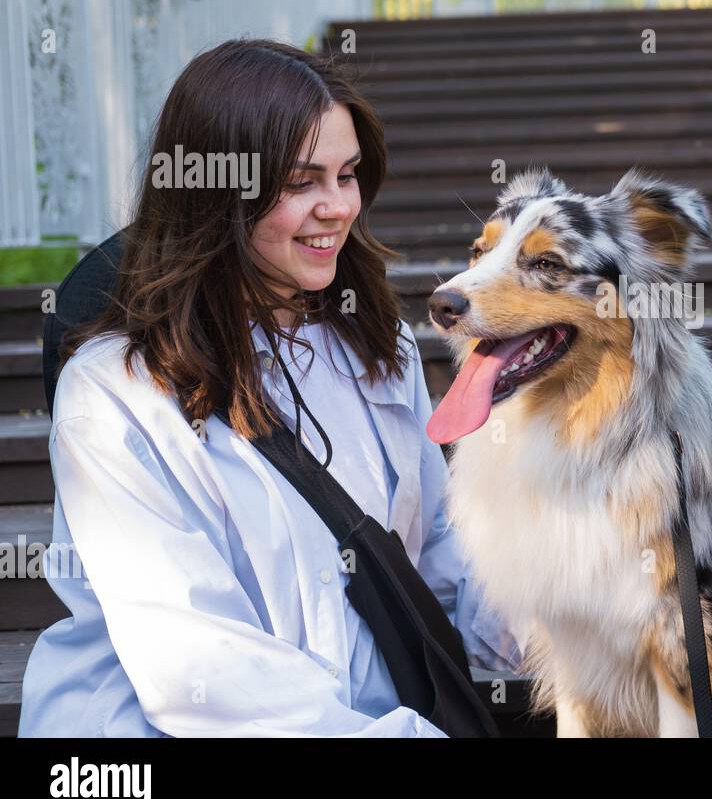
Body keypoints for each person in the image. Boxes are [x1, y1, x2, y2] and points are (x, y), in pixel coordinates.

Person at [19, 39, 519, 737]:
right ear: (219, 193)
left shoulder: (378, 347)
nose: (338, 207)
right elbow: (197, 668)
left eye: (348, 175)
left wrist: (563, 593)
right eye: (300, 181)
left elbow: (437, 553)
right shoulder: (114, 394)